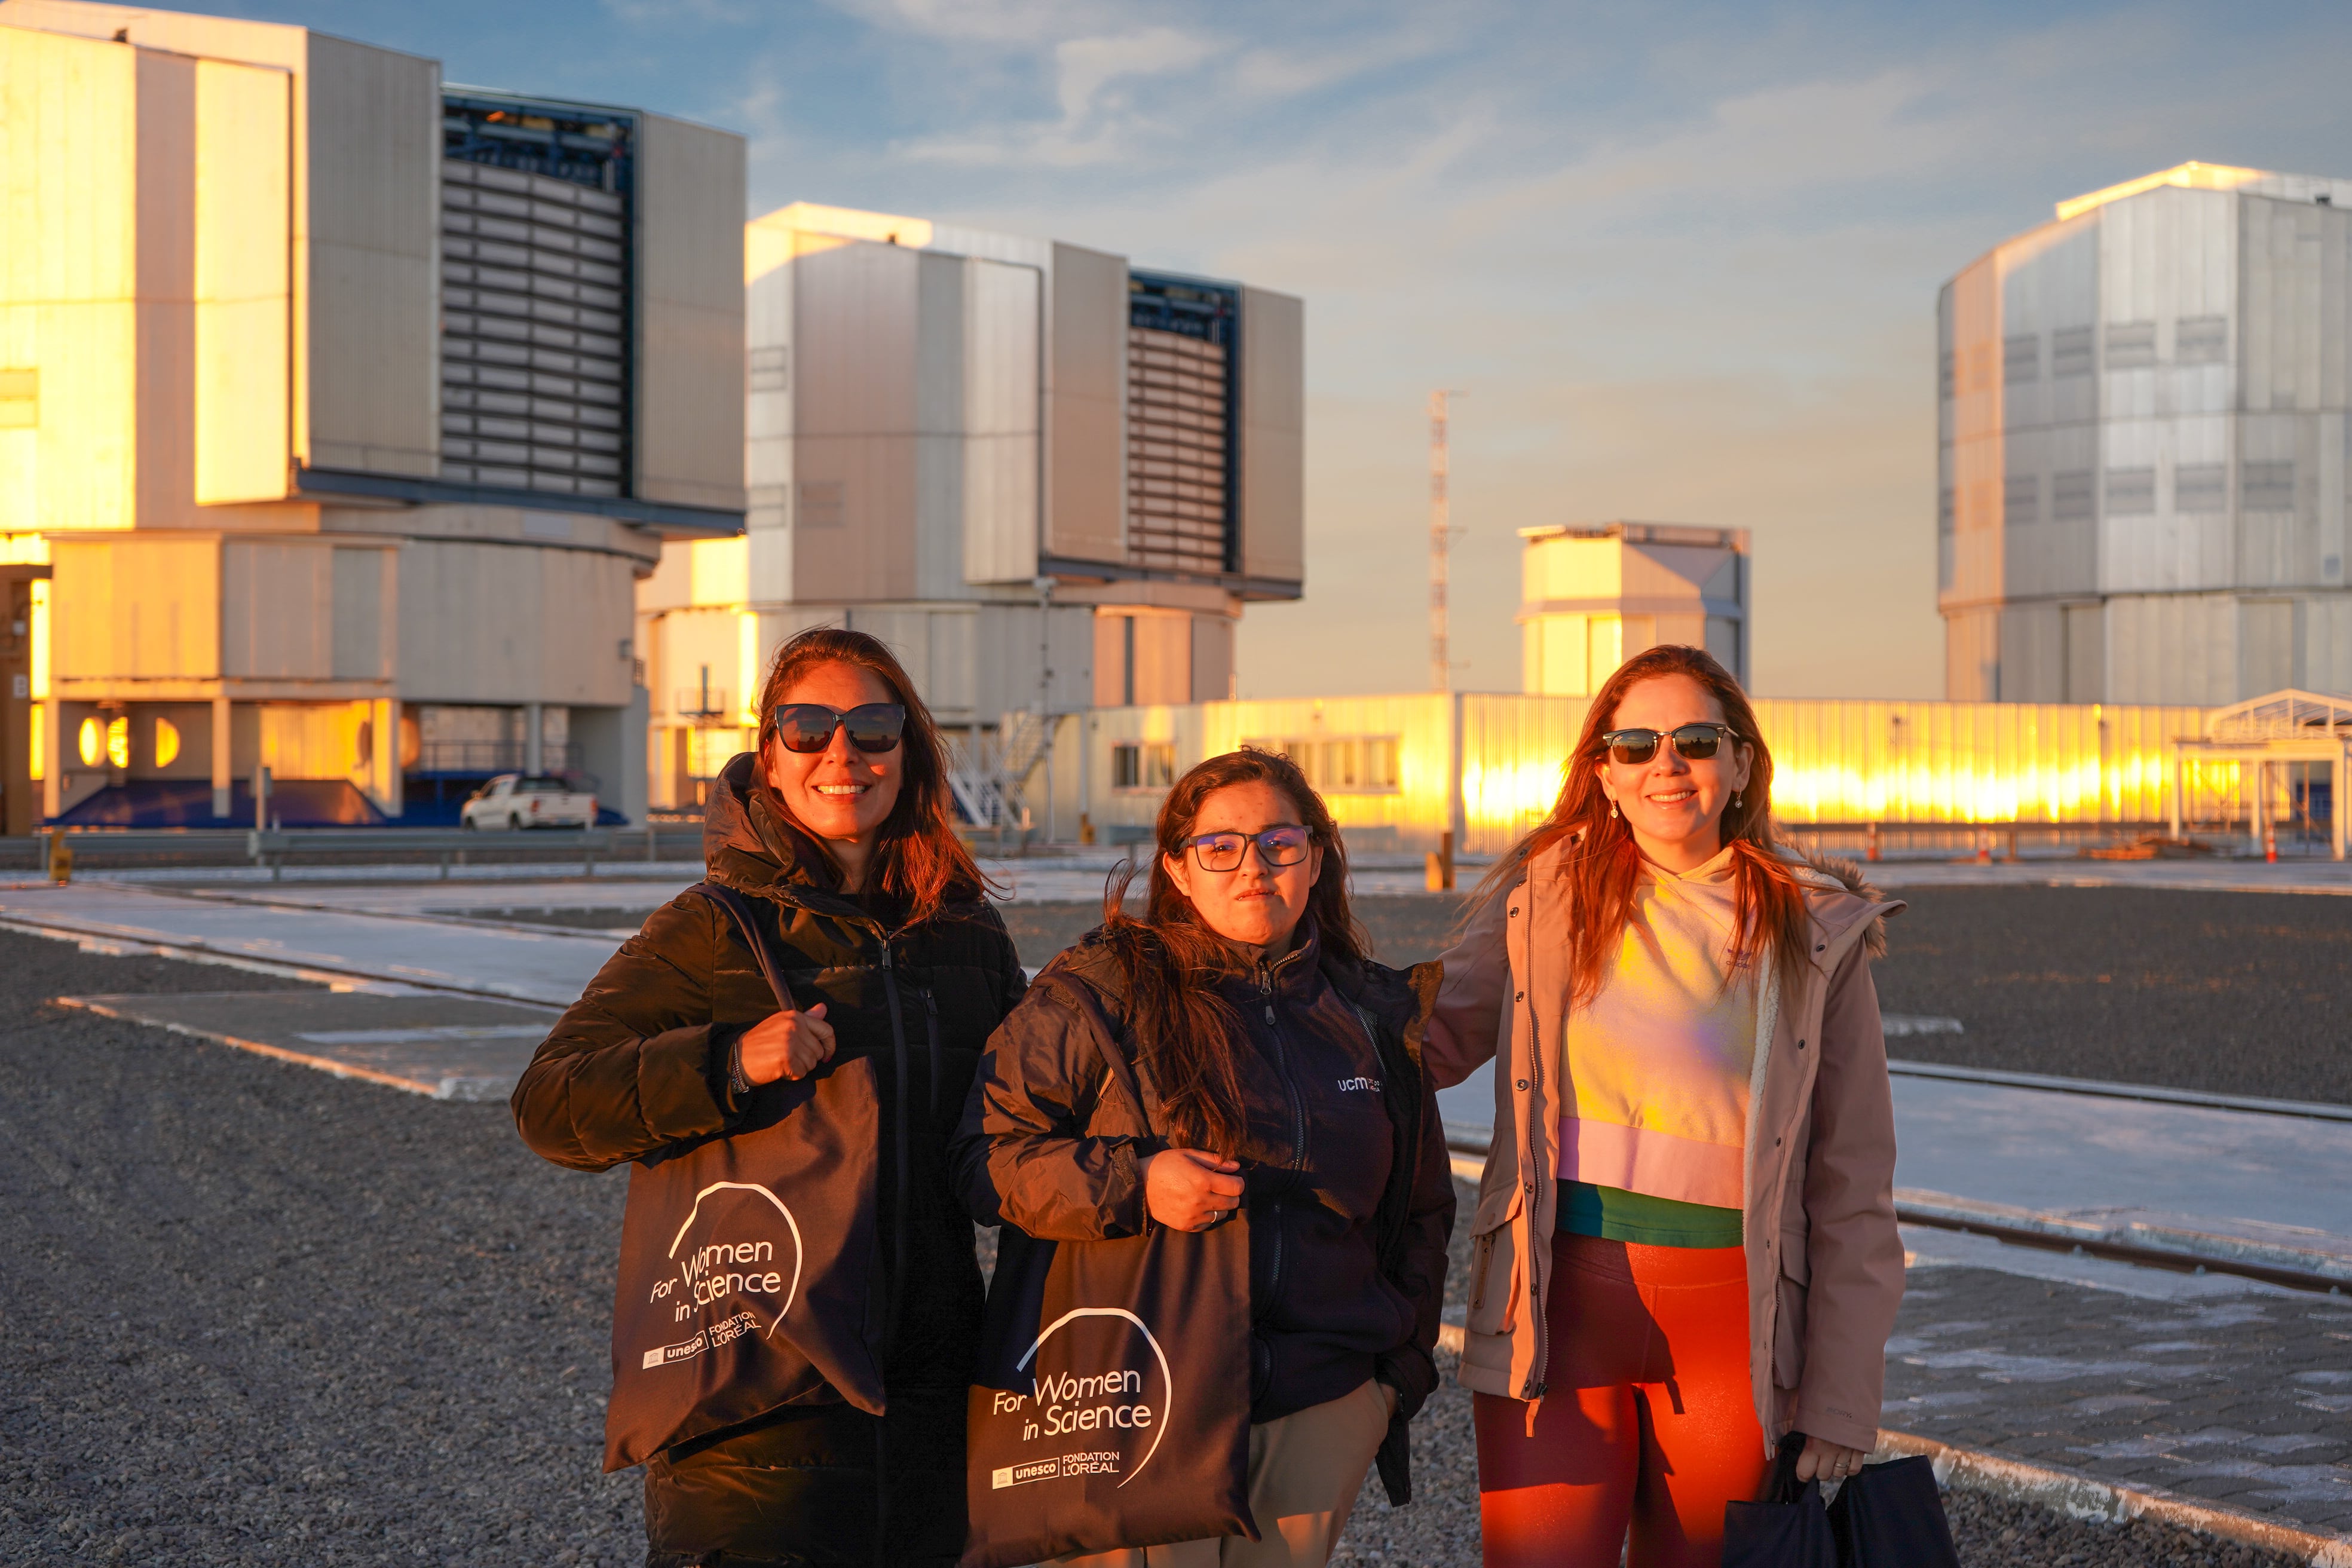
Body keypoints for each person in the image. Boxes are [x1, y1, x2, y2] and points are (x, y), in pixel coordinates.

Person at [512, 627, 1025, 1568]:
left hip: (931, 1399)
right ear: (771, 757)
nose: (843, 754)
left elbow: (1019, 1128)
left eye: (874, 727)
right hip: (757, 1399)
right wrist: (727, 1064)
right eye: (809, 728)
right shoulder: (715, 928)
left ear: (909, 751)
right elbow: (550, 1104)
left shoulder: (965, 937)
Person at [1428, 644, 1904, 1568]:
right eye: (1636, 745)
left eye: (1695, 741)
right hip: (1554, 1313)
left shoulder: (1815, 930)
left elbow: (1853, 1182)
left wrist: (1843, 1395)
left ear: (1741, 764)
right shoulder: (1544, 899)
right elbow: (1422, 1044)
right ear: (1604, 773)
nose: (1666, 765)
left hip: (1733, 1331)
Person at [954, 749, 1456, 1567]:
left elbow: (1422, 1206)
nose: (1253, 867)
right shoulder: (1101, 992)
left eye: (1279, 843)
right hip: (1140, 1392)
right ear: (1179, 871)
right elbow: (987, 1157)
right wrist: (1137, 1183)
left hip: (1321, 1404)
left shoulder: (1368, 1013)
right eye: (1220, 847)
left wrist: (1393, 1378)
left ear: (1316, 858)